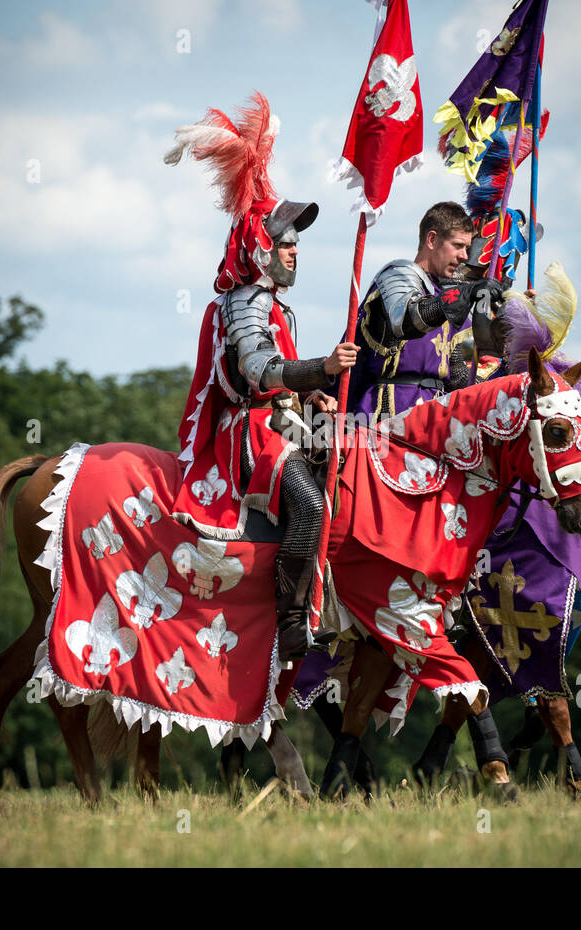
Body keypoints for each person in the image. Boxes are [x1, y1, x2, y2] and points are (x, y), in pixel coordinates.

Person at [166, 93, 353, 660]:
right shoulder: (245, 301)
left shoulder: (274, 304)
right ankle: (294, 621)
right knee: (311, 504)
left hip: (282, 420)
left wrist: (316, 390)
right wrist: (319, 367)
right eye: (285, 241)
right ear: (258, 246)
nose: (295, 251)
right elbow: (258, 369)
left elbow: (283, 377)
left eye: (297, 242)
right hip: (247, 432)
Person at [346, 201, 506, 422]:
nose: (463, 256)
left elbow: (459, 382)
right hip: (387, 416)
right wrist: (464, 294)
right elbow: (407, 320)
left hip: (433, 420)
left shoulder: (444, 296)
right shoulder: (397, 275)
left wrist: (514, 357)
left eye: (467, 248)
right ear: (432, 240)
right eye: (458, 245)